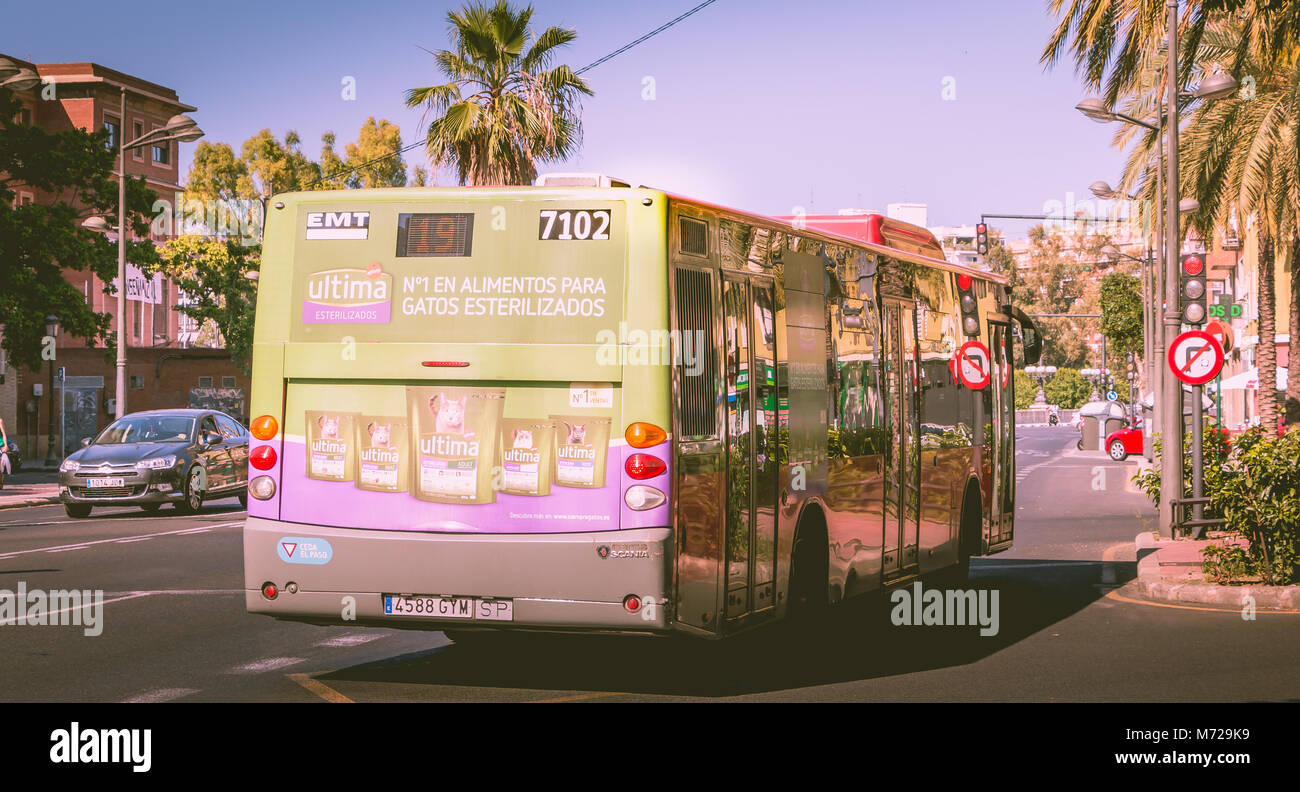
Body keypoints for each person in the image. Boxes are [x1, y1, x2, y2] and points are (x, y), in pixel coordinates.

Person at [0, 416, 9, 490]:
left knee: (1, 466)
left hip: (0, 445)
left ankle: (1, 481)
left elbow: (3, 434)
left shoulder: (0, 421)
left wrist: (5, 445)